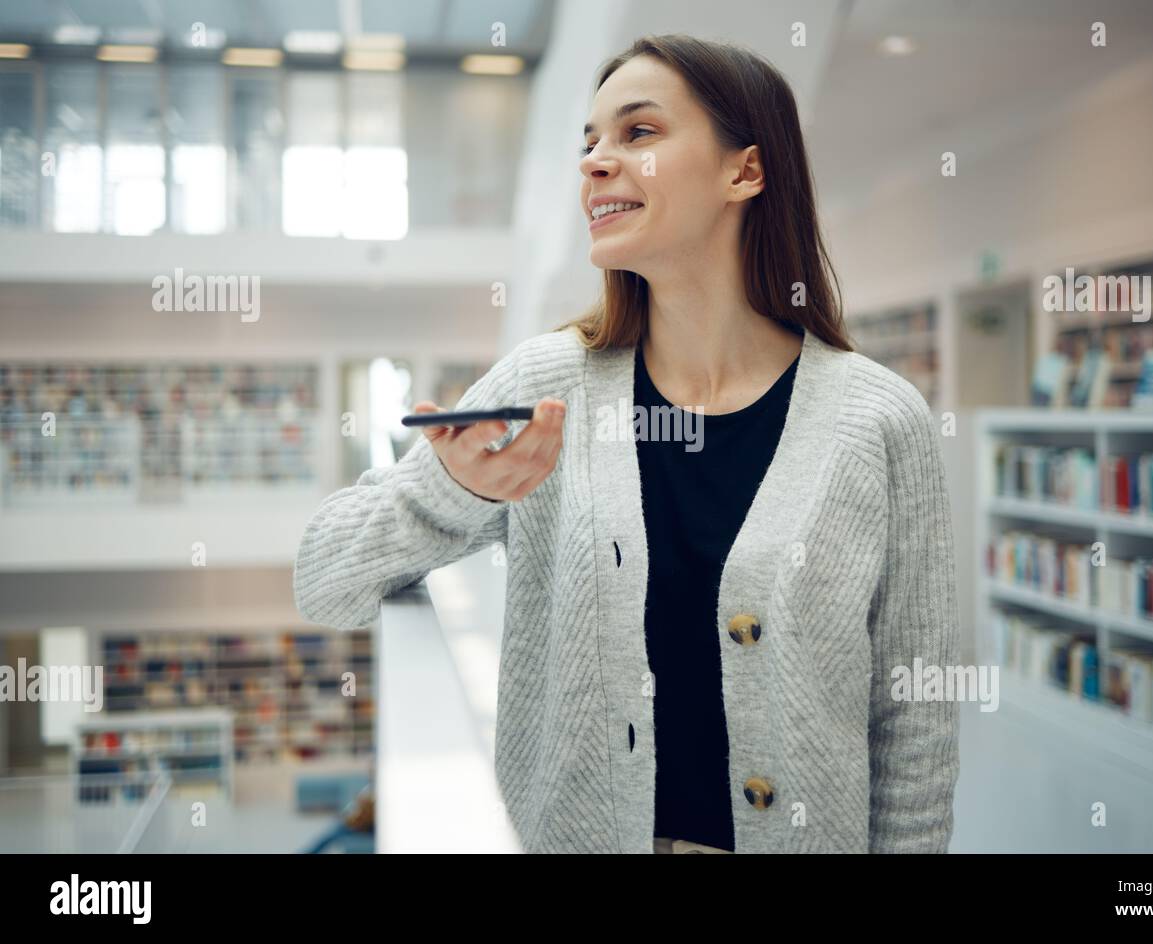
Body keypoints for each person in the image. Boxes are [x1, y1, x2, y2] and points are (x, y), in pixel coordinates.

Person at [294, 33, 960, 854]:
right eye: (589, 142)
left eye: (638, 133)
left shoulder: (880, 420)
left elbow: (915, 722)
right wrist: (452, 491)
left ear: (744, 172)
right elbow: (325, 580)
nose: (595, 163)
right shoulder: (550, 385)